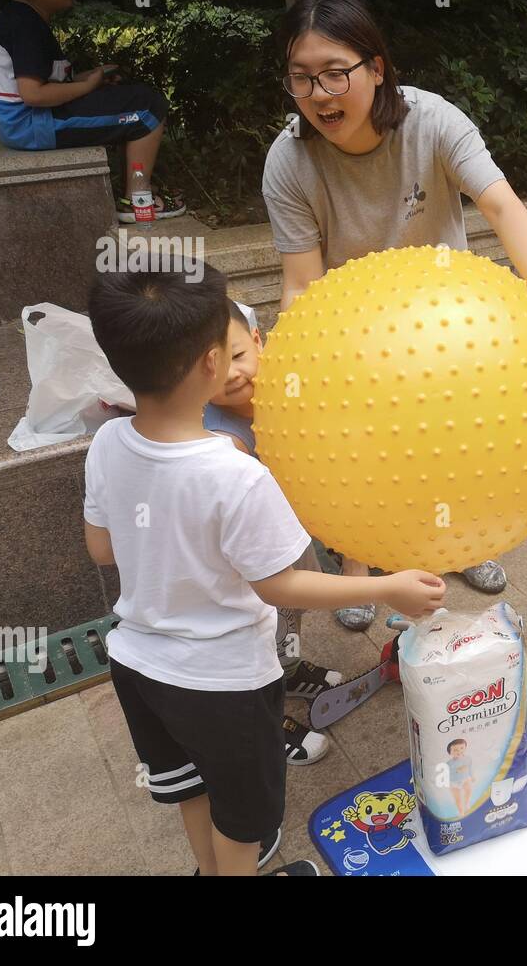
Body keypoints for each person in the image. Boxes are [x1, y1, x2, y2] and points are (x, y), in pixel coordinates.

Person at [85, 266, 445, 876]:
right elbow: (279, 585)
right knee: (244, 819)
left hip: (139, 668)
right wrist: (387, 585)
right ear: (208, 364)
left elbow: (102, 550)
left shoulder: (108, 442)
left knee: (191, 790)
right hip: (222, 684)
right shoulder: (235, 475)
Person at [262, 0, 527, 626]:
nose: (320, 93)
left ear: (376, 68)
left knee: (460, 439)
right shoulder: (289, 161)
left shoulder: (433, 122)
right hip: (353, 342)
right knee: (360, 451)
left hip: (451, 331)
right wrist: (288, 360)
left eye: (334, 73)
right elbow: (300, 282)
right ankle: (356, 561)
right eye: (302, 78)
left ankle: (468, 540)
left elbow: (501, 205)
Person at [203, 300, 352, 766]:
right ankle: (263, 721)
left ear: (260, 342)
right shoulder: (222, 439)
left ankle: (286, 670)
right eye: (212, 366)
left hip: (284, 540)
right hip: (244, 564)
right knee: (257, 629)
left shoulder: (291, 388)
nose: (231, 374)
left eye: (239, 355)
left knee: (288, 616)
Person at [0, 0, 183, 222]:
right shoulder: (25, 25)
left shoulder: (20, 19)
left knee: (132, 99)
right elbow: (34, 94)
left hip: (26, 122)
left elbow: (47, 84)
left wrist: (94, 76)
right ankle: (138, 202)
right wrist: (88, 86)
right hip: (33, 123)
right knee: (148, 108)